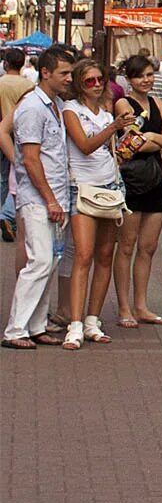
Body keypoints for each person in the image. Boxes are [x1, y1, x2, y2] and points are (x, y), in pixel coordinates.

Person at [3, 47, 76, 350]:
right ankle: (15, 329)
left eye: (70, 73)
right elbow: (31, 159)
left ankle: (35, 325)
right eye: (64, 73)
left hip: (55, 195)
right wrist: (50, 199)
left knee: (51, 260)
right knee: (40, 261)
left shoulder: (55, 105)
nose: (69, 78)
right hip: (38, 198)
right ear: (45, 73)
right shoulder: (33, 107)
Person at [61, 58, 132, 349]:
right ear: (79, 84)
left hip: (109, 185)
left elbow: (108, 150)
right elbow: (85, 146)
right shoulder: (71, 110)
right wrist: (114, 126)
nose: (96, 85)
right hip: (82, 187)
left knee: (105, 255)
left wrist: (126, 144)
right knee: (83, 254)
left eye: (100, 79)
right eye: (89, 80)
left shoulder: (104, 112)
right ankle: (75, 323)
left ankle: (93, 320)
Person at [112, 54, 162, 328]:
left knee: (148, 247)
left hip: (155, 178)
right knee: (126, 246)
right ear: (129, 79)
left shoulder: (156, 102)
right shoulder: (123, 103)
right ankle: (124, 307)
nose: (146, 80)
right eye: (140, 76)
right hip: (131, 179)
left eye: (150, 75)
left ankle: (141, 305)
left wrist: (151, 138)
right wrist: (156, 139)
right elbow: (131, 143)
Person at [0, 47, 35, 241]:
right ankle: (7, 214)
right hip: (21, 134)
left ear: (6, 63)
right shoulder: (29, 86)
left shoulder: (1, 82)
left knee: (3, 178)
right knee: (17, 177)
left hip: (3, 130)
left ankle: (4, 213)